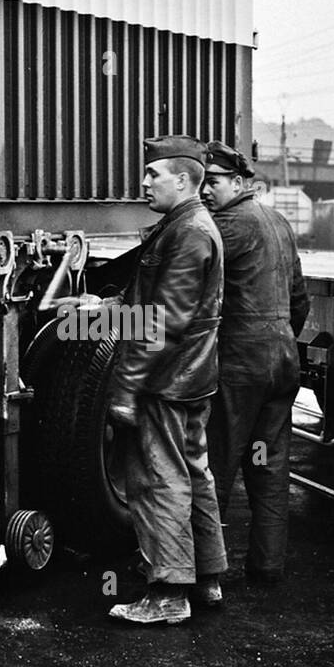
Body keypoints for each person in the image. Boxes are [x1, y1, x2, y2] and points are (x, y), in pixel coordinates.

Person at [106, 136, 227, 625]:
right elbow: (157, 307)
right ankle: (207, 579)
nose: (144, 182)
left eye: (153, 174)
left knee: (160, 480)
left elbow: (163, 323)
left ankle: (169, 594)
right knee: (194, 473)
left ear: (182, 179)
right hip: (191, 376)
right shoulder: (186, 226)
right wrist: (103, 311)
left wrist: (126, 388)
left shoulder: (189, 232)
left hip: (167, 381)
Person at [202, 142, 310, 585]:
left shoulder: (226, 226)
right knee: (269, 468)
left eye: (215, 182)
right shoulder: (279, 223)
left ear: (241, 183)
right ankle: (267, 567)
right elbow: (299, 300)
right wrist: (279, 339)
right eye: (203, 181)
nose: (206, 191)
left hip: (241, 362)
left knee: (218, 466)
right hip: (283, 358)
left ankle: (203, 573)